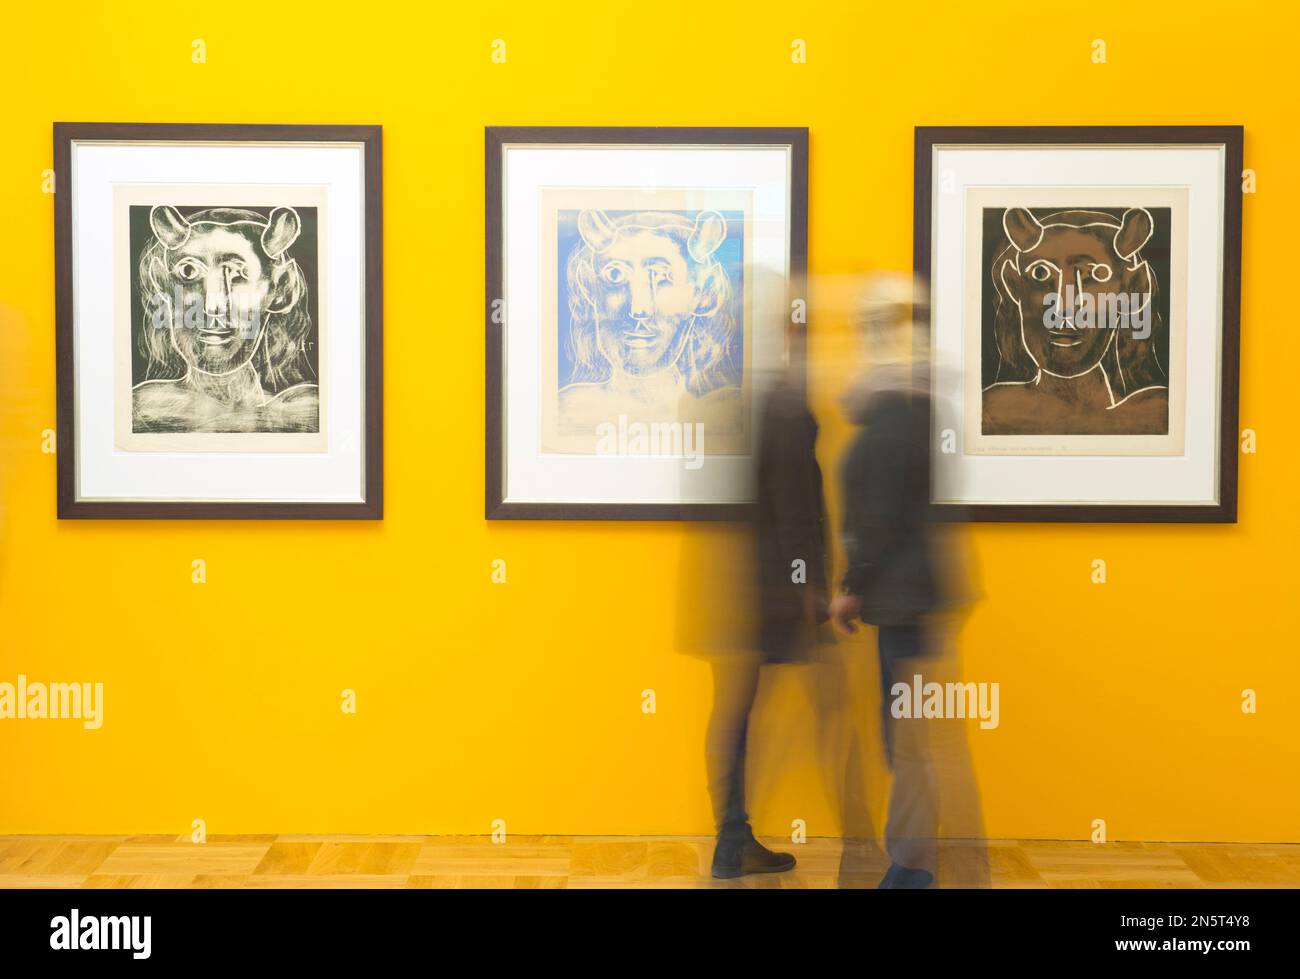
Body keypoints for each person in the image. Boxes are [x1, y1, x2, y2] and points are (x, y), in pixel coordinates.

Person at [829, 274, 942, 888]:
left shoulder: (898, 405)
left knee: (910, 735)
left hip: (902, 597)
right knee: (912, 732)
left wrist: (852, 583)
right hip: (910, 597)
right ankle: (914, 864)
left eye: (874, 324)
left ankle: (912, 871)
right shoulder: (909, 400)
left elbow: (879, 511)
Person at [706, 354, 829, 880]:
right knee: (750, 716)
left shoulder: (726, 404)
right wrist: (809, 589)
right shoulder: (784, 410)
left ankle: (732, 838)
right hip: (766, 593)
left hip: (731, 591)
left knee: (736, 714)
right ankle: (732, 840)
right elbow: (797, 511)